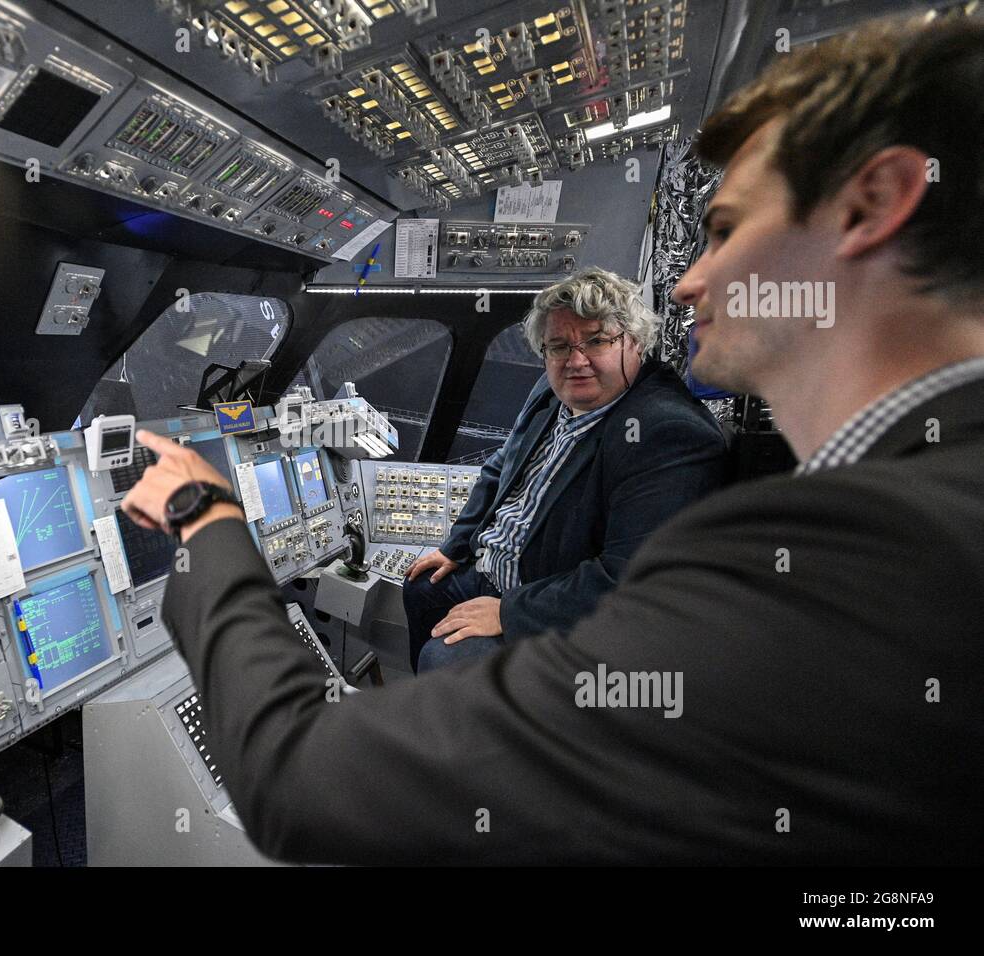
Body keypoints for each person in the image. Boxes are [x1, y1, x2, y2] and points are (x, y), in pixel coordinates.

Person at [121, 15, 984, 864]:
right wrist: (459, 553)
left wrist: (206, 519)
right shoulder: (910, 492)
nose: (689, 280)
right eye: (559, 345)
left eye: (725, 230)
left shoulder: (874, 550)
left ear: (871, 204)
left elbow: (301, 783)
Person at [402, 267, 725, 673]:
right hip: (499, 575)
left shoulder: (665, 433)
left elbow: (632, 579)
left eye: (596, 341)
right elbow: (502, 464)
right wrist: (458, 544)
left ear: (637, 343)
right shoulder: (552, 392)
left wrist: (509, 613)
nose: (576, 361)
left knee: (447, 658)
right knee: (422, 587)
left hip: (561, 613)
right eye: (558, 346)